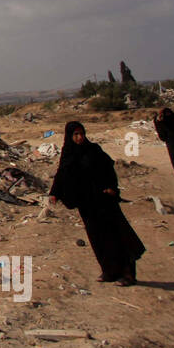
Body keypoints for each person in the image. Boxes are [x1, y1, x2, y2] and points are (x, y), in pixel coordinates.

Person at [49, 121, 145, 286]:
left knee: (115, 235)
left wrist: (111, 188)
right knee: (97, 238)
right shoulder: (68, 153)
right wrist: (54, 193)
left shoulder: (94, 150)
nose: (80, 138)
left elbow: (108, 169)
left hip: (103, 200)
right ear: (69, 136)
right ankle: (109, 271)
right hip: (86, 203)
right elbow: (62, 174)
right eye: (76, 134)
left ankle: (128, 274)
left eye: (82, 134)